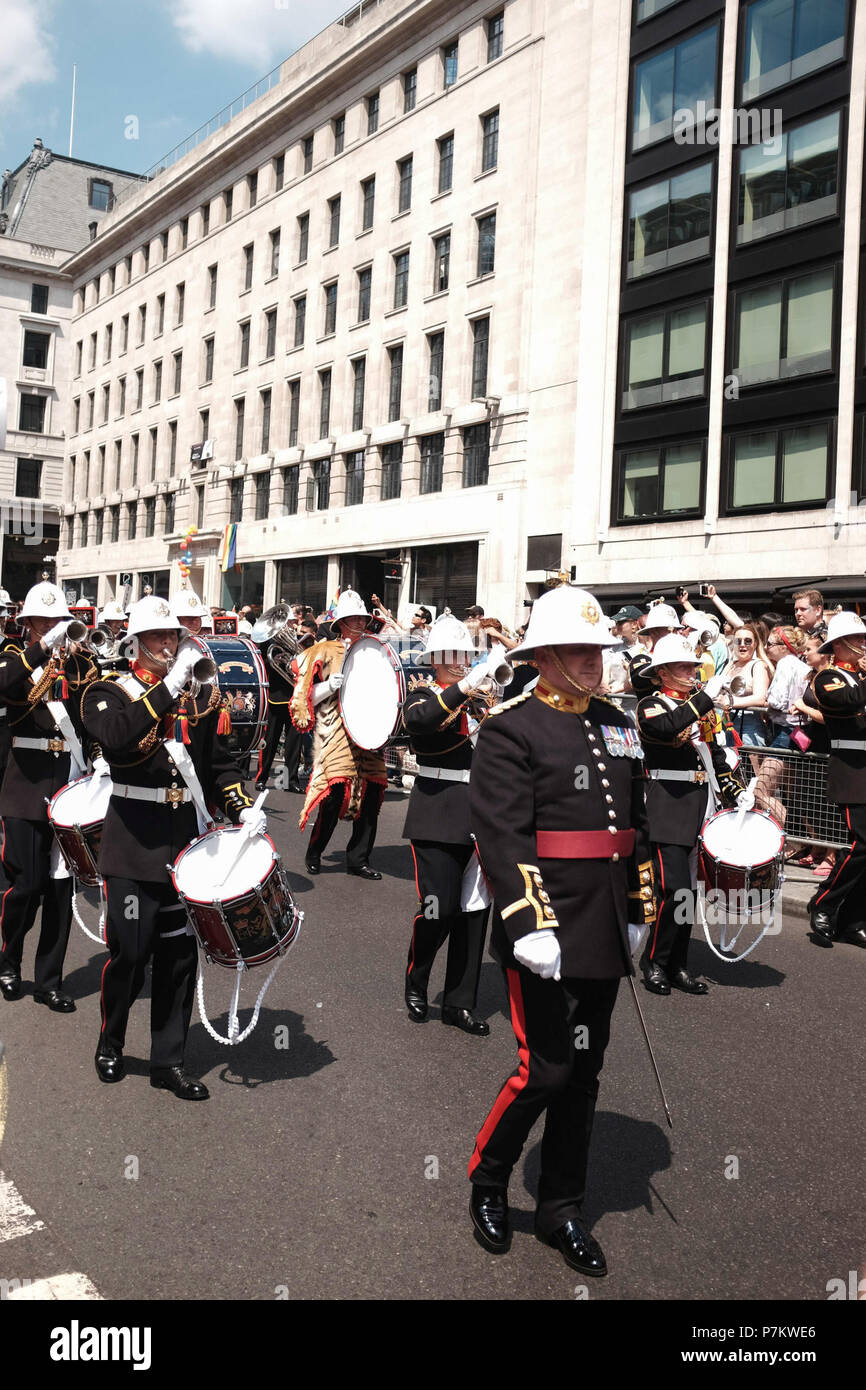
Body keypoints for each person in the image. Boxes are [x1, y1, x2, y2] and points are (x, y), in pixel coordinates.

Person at [467, 585, 657, 1277]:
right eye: (578, 649)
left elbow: (632, 826)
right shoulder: (511, 727)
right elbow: (502, 835)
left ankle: (561, 1209)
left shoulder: (618, 722)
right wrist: (528, 921)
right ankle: (489, 1177)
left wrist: (638, 912)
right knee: (543, 1069)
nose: (594, 660)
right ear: (543, 656)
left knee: (585, 1074)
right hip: (545, 921)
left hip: (603, 919)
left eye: (599, 648)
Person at [81, 596, 264, 1096]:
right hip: (132, 842)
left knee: (180, 957)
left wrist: (241, 804)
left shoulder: (200, 697)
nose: (170, 644)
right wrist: (170, 684)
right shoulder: (106, 691)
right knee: (131, 954)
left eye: (174, 636)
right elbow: (118, 738)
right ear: (135, 643)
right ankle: (111, 1040)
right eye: (160, 637)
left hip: (185, 848)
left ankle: (168, 1061)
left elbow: (219, 765)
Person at [0, 582, 98, 1010]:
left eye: (58, 621)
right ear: (27, 625)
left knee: (60, 891)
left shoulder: (80, 666)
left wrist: (99, 758)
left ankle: (49, 980)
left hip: (67, 786)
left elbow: (91, 720)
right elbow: (6, 684)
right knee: (25, 885)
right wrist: (42, 650)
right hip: (24, 785)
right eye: (42, 622)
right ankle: (7, 962)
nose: (52, 628)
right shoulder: (11, 658)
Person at [402, 615, 499, 1036]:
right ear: (436, 659)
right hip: (438, 813)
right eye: (454, 656)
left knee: (475, 913)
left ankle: (460, 1002)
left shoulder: (482, 699)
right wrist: (466, 686)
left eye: (466, 655)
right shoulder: (422, 693)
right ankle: (417, 979)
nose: (462, 662)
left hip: (483, 813)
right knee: (437, 907)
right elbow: (421, 723)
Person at [636, 634, 744, 996]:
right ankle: (653, 959)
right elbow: (664, 729)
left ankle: (677, 963)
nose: (691, 671)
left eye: (693, 666)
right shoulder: (651, 704)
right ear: (663, 672)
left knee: (690, 895)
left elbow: (712, 753)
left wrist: (734, 787)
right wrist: (703, 699)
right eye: (683, 666)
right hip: (667, 805)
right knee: (673, 890)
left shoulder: (700, 707)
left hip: (699, 804)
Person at [290, 589, 387, 879]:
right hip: (336, 732)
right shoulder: (323, 650)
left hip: (370, 731)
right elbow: (305, 694)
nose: (359, 622)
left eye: (362, 617)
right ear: (340, 621)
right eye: (352, 617)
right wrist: (329, 686)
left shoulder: (375, 648)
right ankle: (315, 851)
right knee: (333, 796)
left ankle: (359, 859)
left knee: (371, 797)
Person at [802, 611, 866, 949]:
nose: (863, 644)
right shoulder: (829, 677)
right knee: (862, 843)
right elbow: (851, 701)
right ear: (839, 646)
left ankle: (852, 919)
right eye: (857, 640)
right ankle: (824, 903)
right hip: (852, 768)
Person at [726, 624, 772, 746]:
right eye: (738, 641)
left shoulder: (759, 665)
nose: (742, 644)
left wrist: (729, 702)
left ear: (755, 644)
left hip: (749, 731)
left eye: (747, 641)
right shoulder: (731, 665)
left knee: (749, 765)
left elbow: (760, 698)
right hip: (726, 726)